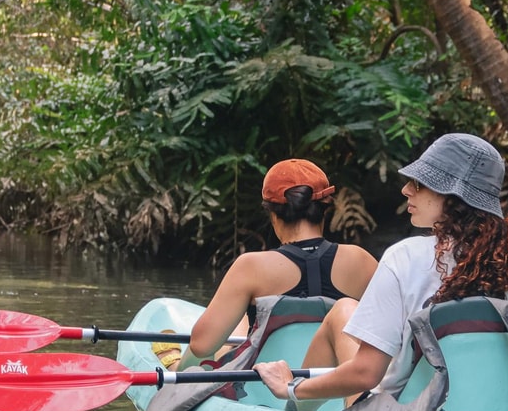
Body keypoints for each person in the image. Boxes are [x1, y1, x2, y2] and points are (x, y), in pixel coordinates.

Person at [254, 133, 508, 408]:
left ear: (453, 197)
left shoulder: (403, 258)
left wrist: (292, 387)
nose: (406, 189)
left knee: (343, 313)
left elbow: (366, 374)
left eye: (419, 184)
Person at [154, 158, 380, 370]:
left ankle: (177, 369)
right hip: (334, 380)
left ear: (273, 214)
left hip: (266, 382)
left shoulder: (252, 267)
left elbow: (202, 345)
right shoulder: (361, 260)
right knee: (245, 315)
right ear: (325, 209)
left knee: (236, 322)